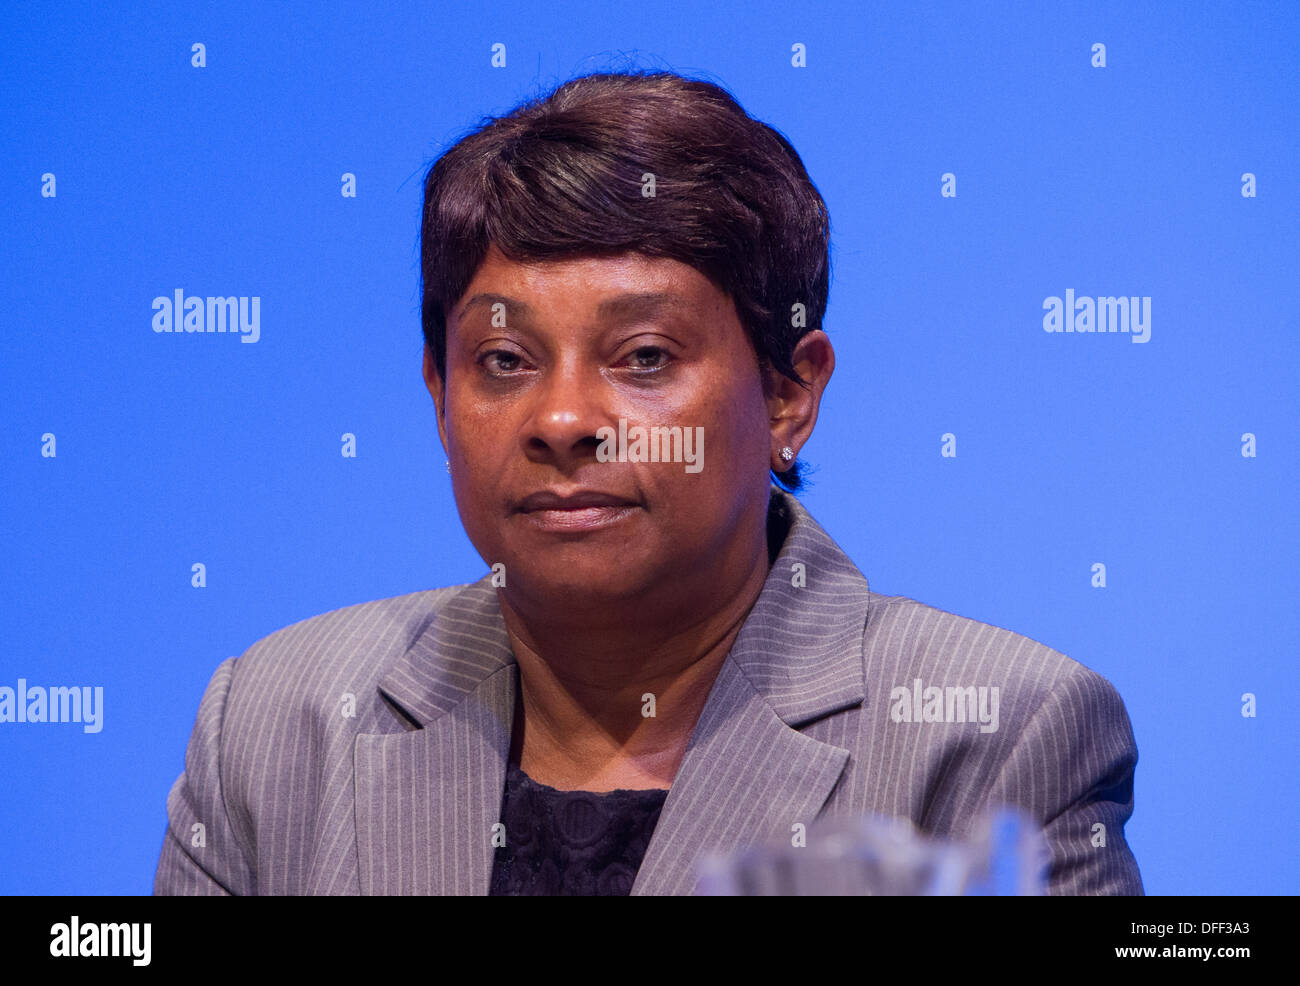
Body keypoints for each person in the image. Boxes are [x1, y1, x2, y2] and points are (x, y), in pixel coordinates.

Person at [153, 69, 1143, 896]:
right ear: (437, 391)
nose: (561, 420)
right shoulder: (276, 721)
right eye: (503, 360)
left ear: (790, 395)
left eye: (641, 356)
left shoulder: (994, 736)